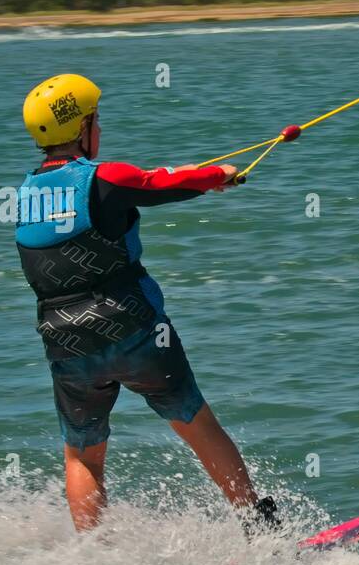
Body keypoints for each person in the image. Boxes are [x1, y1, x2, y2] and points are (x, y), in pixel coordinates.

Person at [15, 73, 277, 534]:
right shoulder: (103, 177)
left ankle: (92, 563)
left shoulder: (24, 194)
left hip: (65, 343)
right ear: (83, 126)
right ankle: (259, 525)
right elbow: (159, 182)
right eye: (97, 119)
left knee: (82, 453)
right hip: (133, 328)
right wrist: (221, 176)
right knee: (197, 424)